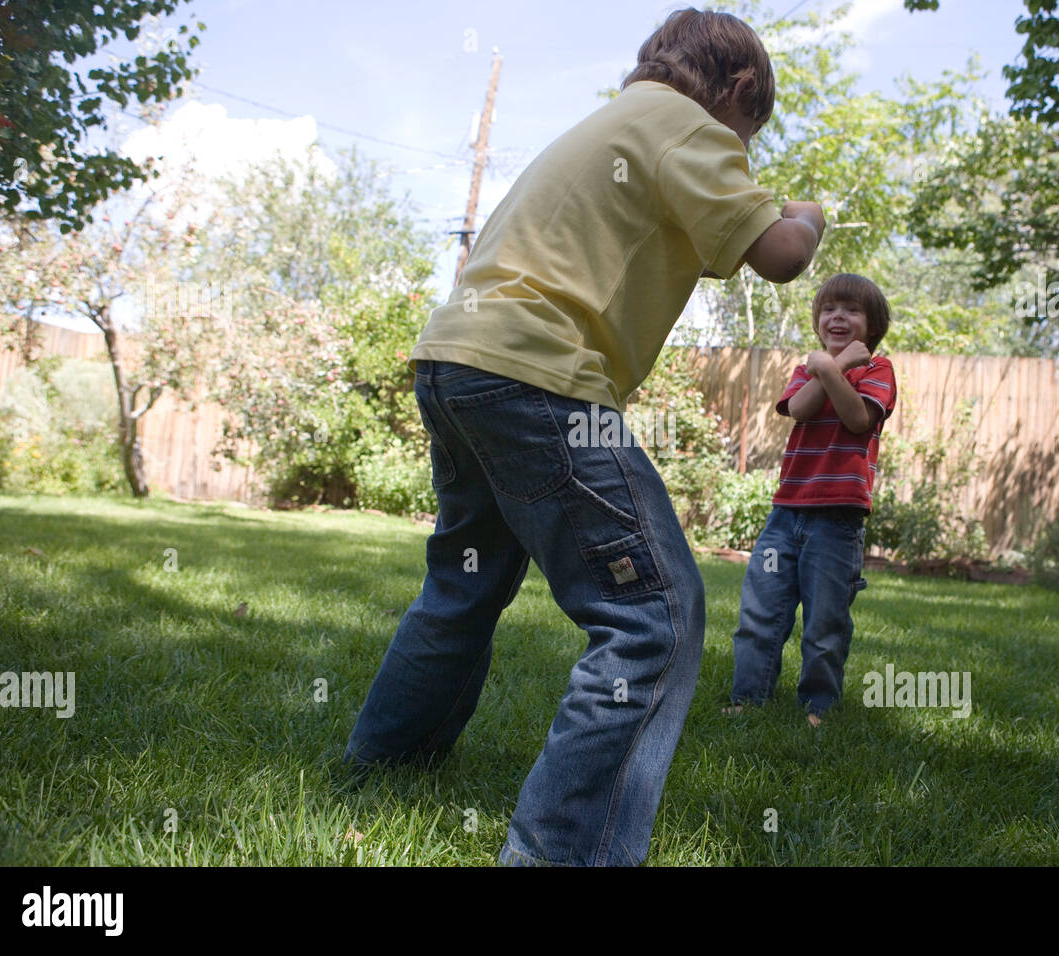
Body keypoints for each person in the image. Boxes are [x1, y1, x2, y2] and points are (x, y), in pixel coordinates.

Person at [343, 8, 826, 866]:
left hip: (456, 362)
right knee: (657, 617)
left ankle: (381, 771)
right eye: (751, 128)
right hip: (540, 378)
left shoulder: (605, 122)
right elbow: (781, 252)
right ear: (739, 91)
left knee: (463, 584)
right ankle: (562, 853)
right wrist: (809, 213)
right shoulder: (687, 125)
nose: (742, 144)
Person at [724, 273, 896, 727]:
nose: (837, 316)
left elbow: (858, 419)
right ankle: (748, 699)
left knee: (825, 623)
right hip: (786, 512)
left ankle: (817, 707)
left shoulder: (878, 370)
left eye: (851, 309)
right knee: (760, 609)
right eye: (828, 309)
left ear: (872, 325)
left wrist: (831, 368)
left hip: (838, 518)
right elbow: (798, 409)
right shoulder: (809, 370)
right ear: (819, 321)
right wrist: (828, 367)